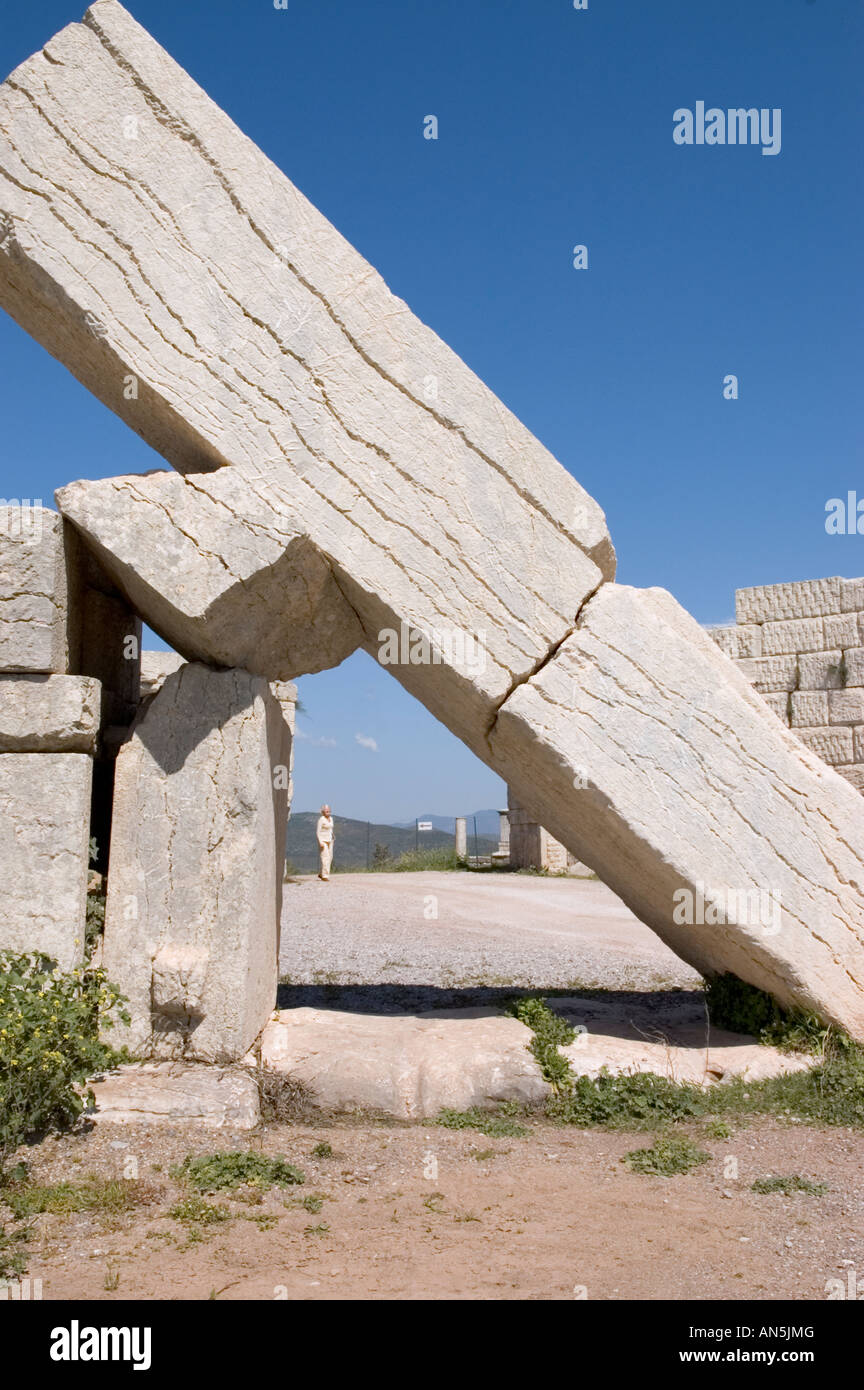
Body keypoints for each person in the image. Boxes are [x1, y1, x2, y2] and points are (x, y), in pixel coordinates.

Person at [316, 804, 334, 881]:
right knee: (325, 857)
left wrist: (333, 835)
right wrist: (320, 842)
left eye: (329, 811)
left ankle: (321, 873)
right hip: (323, 840)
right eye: (326, 811)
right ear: (323, 812)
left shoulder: (331, 818)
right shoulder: (321, 819)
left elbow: (330, 828)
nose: (328, 812)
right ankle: (325, 876)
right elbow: (317, 832)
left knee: (330, 858)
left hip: (330, 840)